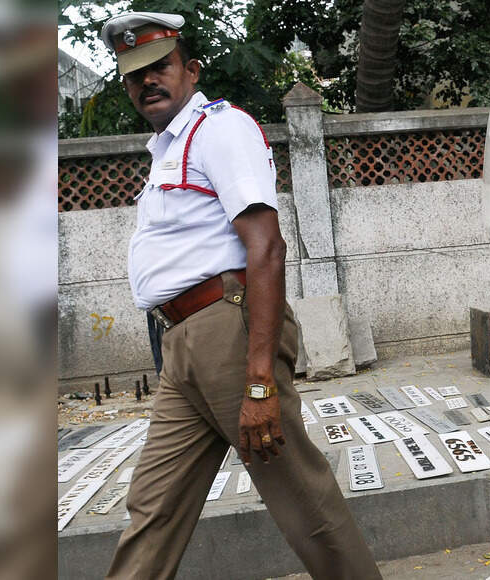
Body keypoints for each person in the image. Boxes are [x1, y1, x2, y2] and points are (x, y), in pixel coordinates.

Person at [98, 12, 381, 579]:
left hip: (227, 332)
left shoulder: (219, 130)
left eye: (160, 67)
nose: (147, 81)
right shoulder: (166, 151)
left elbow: (267, 248)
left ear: (190, 69)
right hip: (181, 344)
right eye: (135, 75)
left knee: (301, 499)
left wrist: (258, 382)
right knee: (153, 506)